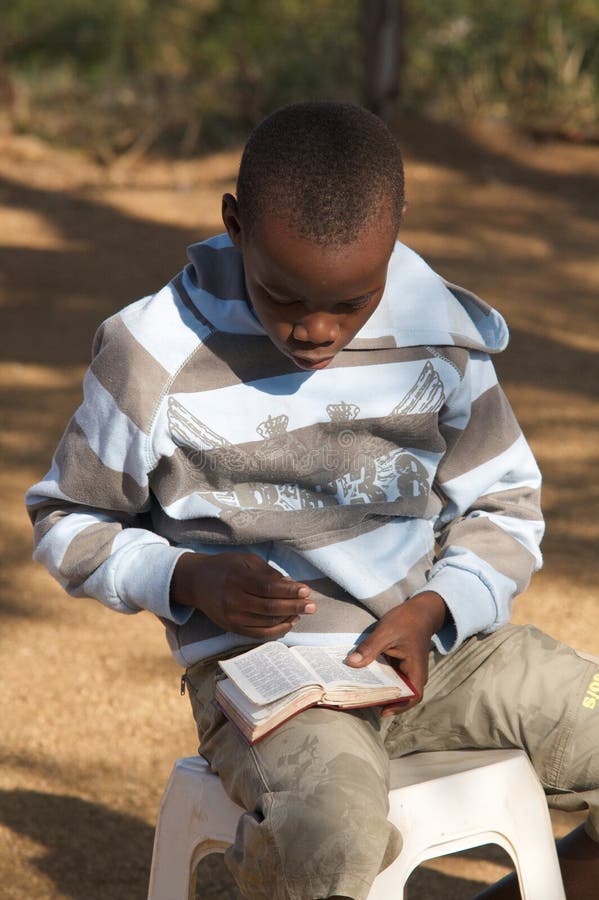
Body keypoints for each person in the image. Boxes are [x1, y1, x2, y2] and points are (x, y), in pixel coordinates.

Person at [26, 101, 599, 899]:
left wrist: (436, 608)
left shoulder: (437, 332)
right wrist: (188, 578)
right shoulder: (152, 355)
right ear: (234, 225)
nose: (317, 331)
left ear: (395, 231)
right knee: (332, 834)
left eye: (351, 301)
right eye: (284, 297)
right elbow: (69, 520)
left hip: (442, 655)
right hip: (267, 685)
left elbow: (505, 504)